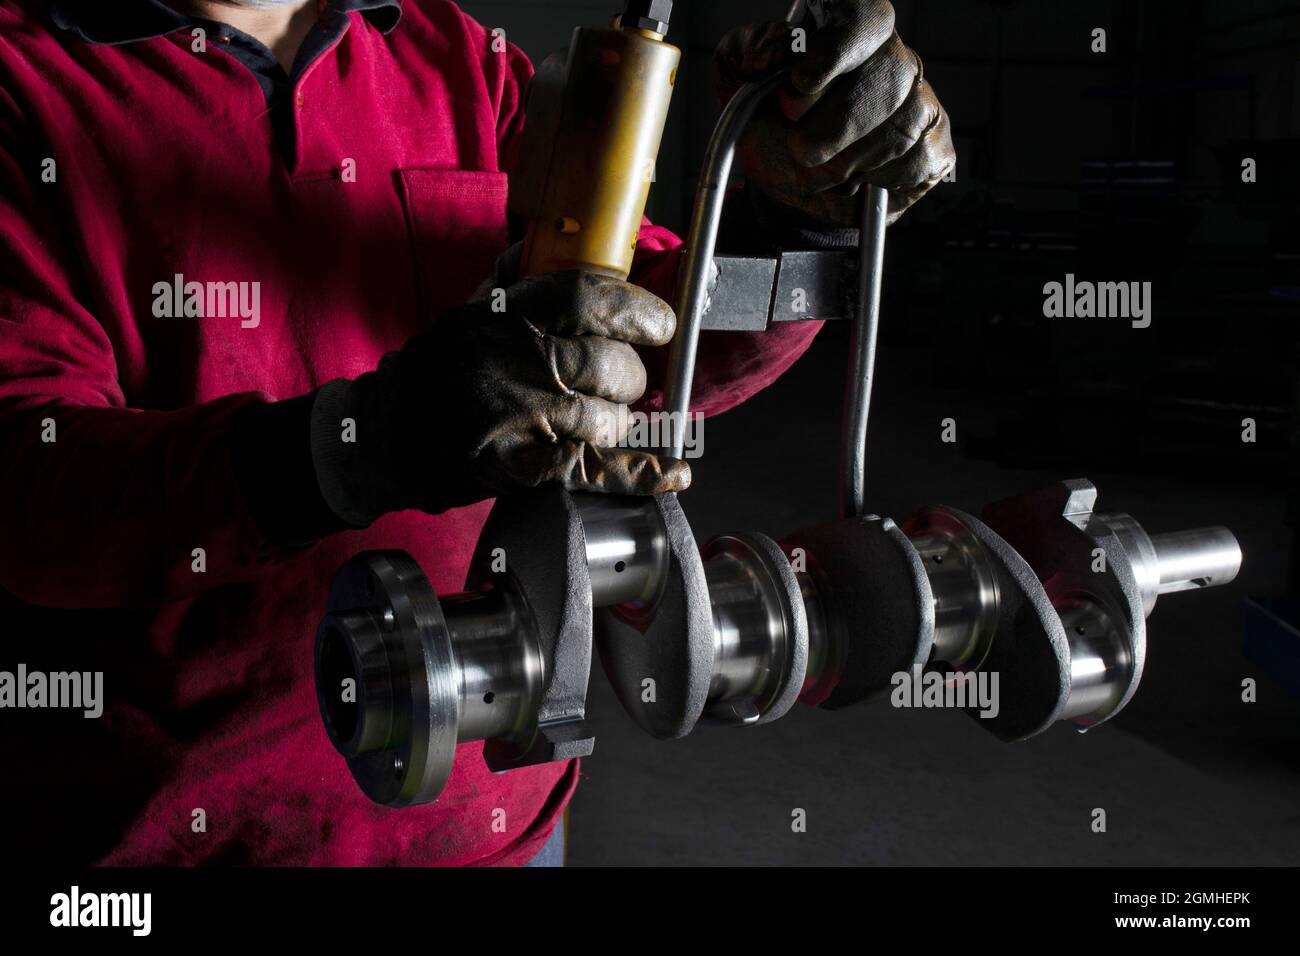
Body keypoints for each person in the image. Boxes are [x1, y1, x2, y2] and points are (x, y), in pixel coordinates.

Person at [0, 0, 953, 865]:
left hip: (496, 820)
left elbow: (645, 348)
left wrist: (792, 221)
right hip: (177, 838)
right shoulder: (24, 84)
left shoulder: (452, 54)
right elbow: (31, 490)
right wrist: (360, 444)